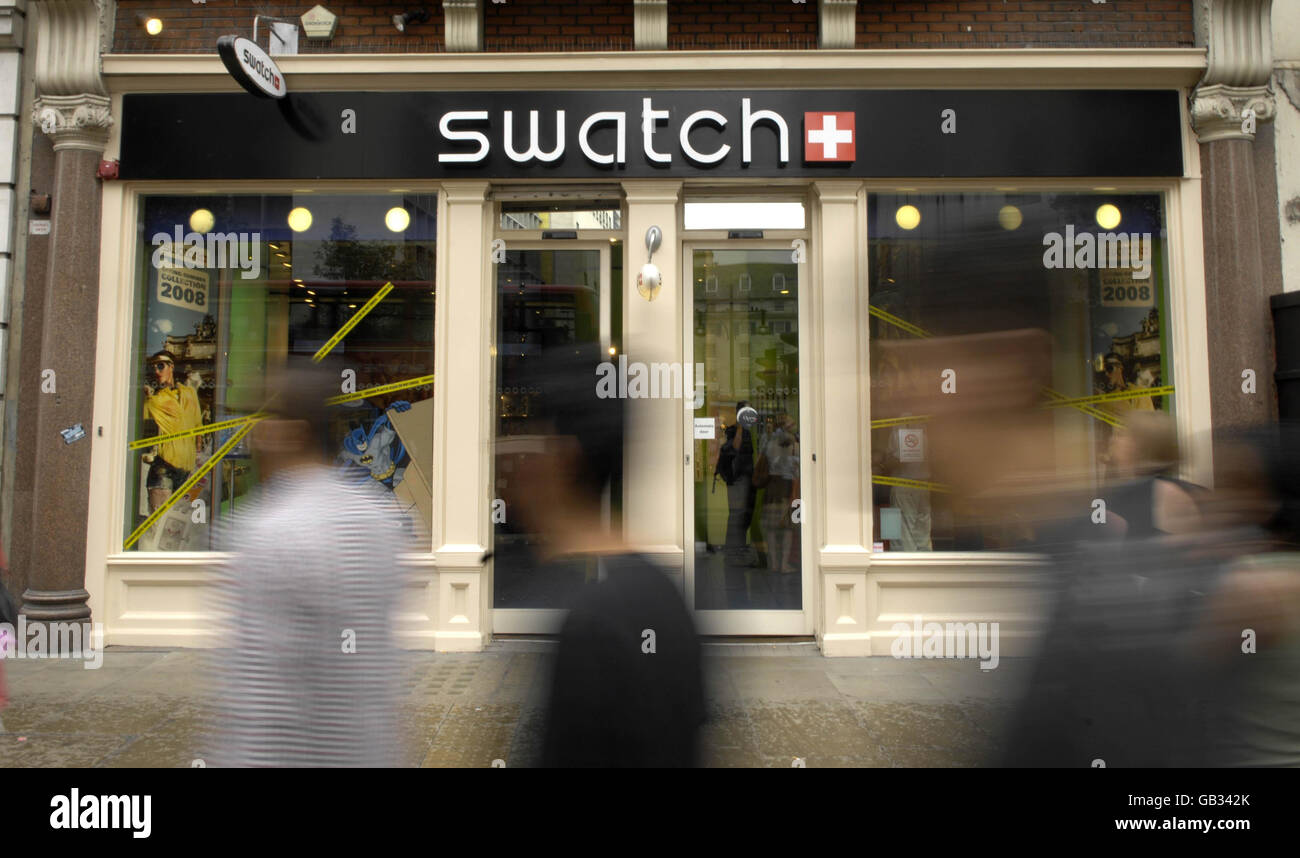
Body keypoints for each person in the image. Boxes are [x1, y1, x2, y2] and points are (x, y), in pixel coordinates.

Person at [205, 356, 413, 767]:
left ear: (292, 433)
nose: (254, 436)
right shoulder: (376, 518)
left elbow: (262, 700)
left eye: (263, 420)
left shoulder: (269, 535)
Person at [507, 344, 704, 767]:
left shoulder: (589, 627)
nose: (516, 465)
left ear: (561, 457)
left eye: (530, 440)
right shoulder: (666, 594)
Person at [141, 350, 204, 511]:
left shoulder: (189, 394)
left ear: (171, 367)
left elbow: (198, 428)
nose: (156, 371)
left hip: (187, 471)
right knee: (160, 524)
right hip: (164, 468)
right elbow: (143, 426)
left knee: (178, 527)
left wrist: (198, 458)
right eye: (153, 368)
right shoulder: (155, 400)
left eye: (160, 366)